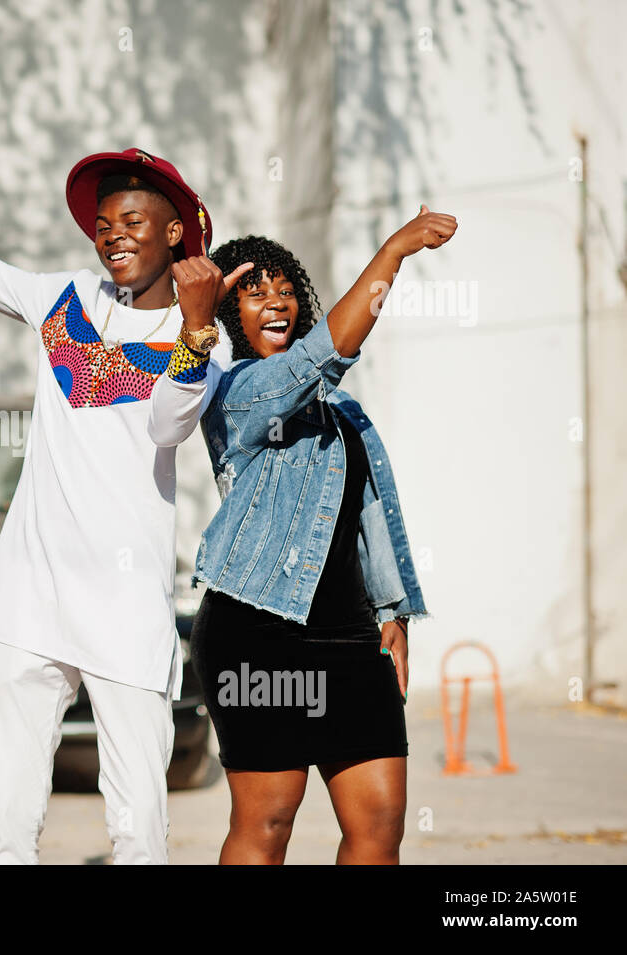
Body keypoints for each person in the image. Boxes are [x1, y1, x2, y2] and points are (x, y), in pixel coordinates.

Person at [0, 88, 251, 864]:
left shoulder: (200, 339)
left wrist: (201, 328)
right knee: (7, 825)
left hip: (126, 604)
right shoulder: (64, 299)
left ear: (176, 232)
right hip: (30, 593)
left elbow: (170, 423)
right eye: (103, 226)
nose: (113, 238)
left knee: (138, 826)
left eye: (132, 223)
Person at [148, 208, 457, 864]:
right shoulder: (240, 394)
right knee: (268, 825)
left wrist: (393, 612)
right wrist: (395, 251)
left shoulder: (342, 409)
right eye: (253, 291)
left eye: (285, 286)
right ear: (231, 316)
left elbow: (367, 514)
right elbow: (332, 349)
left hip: (349, 636)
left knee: (377, 826)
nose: (275, 299)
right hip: (257, 631)